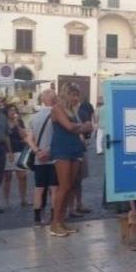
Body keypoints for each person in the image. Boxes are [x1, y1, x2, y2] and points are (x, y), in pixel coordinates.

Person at [49, 84, 92, 237]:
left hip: (75, 148)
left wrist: (81, 127)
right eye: (74, 95)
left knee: (71, 186)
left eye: (77, 95)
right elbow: (68, 126)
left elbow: (79, 129)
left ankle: (61, 221)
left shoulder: (73, 110)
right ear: (66, 94)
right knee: (64, 187)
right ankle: (54, 224)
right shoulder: (57, 109)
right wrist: (83, 126)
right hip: (62, 150)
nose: (76, 99)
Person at [25, 89, 58, 228]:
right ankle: (54, 217)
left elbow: (29, 139)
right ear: (54, 100)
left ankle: (37, 219)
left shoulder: (33, 118)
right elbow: (57, 138)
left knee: (39, 189)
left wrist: (38, 151)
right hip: (53, 158)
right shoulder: (56, 116)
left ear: (43, 101)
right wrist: (47, 151)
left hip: (39, 160)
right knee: (54, 189)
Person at [2, 104, 29, 208]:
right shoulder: (4, 122)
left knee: (22, 176)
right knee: (7, 177)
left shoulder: (19, 121)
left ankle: (23, 199)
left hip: (19, 150)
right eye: (11, 110)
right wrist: (9, 151)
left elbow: (23, 136)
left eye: (14, 110)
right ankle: (6, 200)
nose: (13, 112)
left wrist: (18, 125)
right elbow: (5, 137)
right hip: (8, 152)